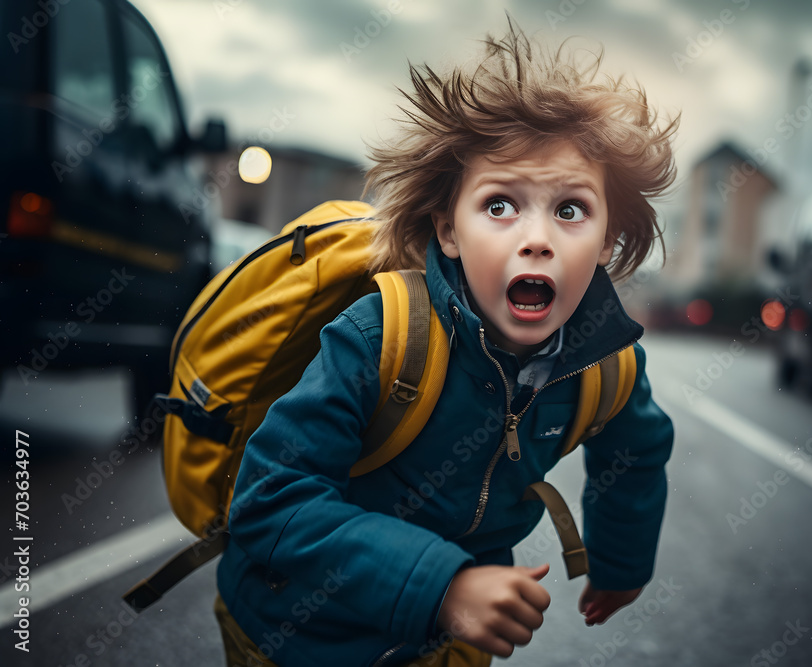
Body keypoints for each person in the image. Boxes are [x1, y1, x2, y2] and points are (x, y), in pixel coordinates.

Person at [213, 19, 678, 667]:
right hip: (294, 636)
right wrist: (442, 586)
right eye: (500, 206)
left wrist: (622, 562)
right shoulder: (379, 337)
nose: (537, 239)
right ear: (448, 230)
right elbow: (269, 499)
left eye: (570, 209)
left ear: (607, 240)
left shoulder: (609, 366)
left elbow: (637, 450)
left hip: (445, 644)